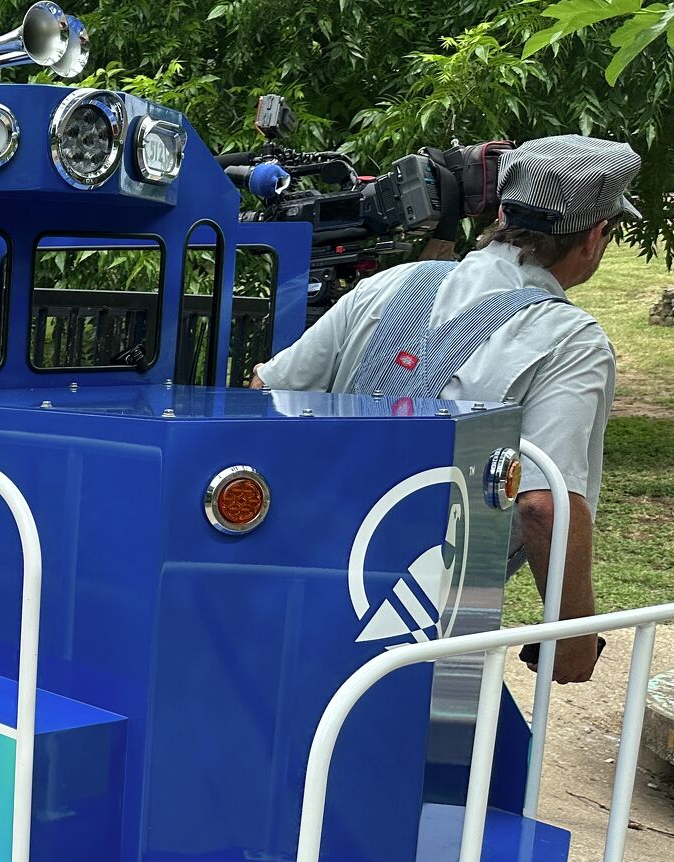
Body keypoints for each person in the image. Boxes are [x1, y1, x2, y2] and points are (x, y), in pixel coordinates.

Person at [255, 134, 638, 683]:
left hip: (300, 582)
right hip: (421, 618)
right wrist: (574, 640)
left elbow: (267, 389)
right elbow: (544, 505)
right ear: (596, 236)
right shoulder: (571, 340)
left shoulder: (389, 285)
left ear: (502, 214)